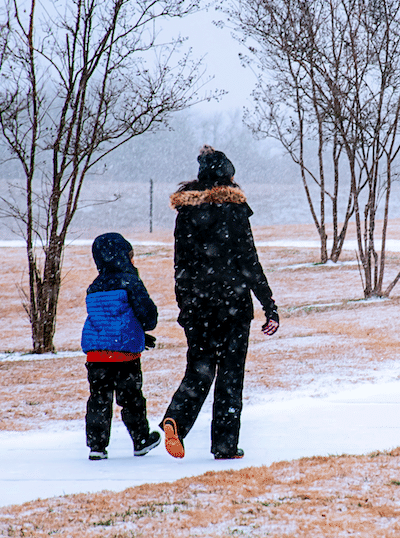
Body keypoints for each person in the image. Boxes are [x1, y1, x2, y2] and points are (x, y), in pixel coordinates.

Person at [159, 145, 280, 460]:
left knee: (199, 368)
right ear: (227, 177)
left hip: (198, 305)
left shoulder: (186, 213)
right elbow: (249, 262)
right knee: (230, 374)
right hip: (233, 305)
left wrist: (185, 306)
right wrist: (269, 304)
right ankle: (224, 444)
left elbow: (180, 267)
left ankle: (176, 418)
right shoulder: (235, 210)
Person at [81, 232, 162, 461]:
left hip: (96, 353)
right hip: (124, 354)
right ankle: (140, 439)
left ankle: (97, 446)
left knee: (98, 398)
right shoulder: (130, 282)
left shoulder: (94, 287)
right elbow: (148, 316)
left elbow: (106, 321)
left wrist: (139, 335)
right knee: (131, 398)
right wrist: (143, 330)